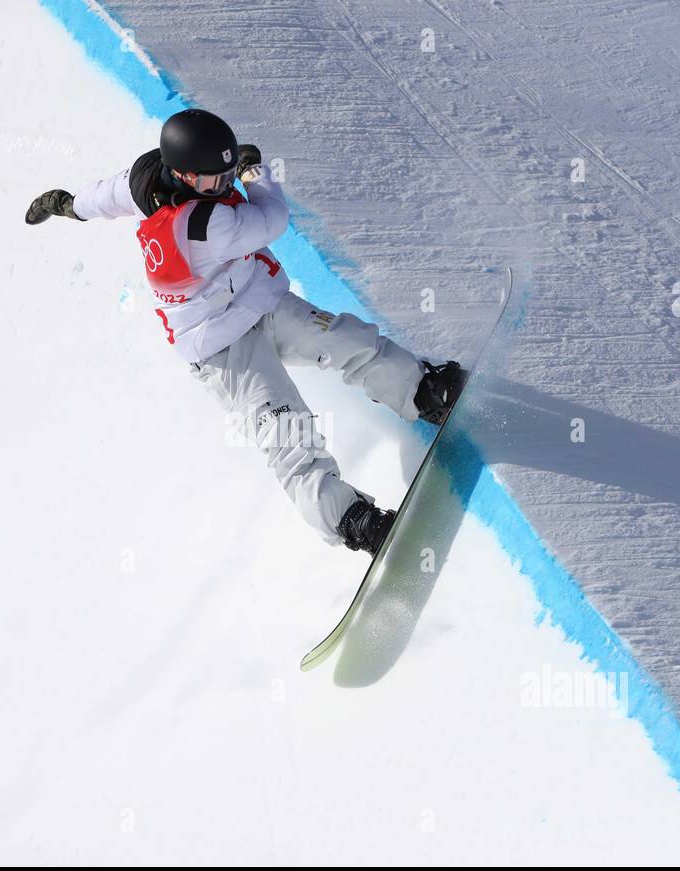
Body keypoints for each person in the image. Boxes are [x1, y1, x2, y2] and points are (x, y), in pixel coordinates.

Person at [25, 108, 463, 556]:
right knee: (286, 430)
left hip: (260, 300)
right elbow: (272, 219)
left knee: (342, 339)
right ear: (182, 175)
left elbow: (106, 196)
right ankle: (352, 519)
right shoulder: (207, 224)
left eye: (229, 175)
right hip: (219, 344)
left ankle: (423, 390)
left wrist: (68, 205)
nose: (223, 187)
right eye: (215, 181)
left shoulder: (149, 179)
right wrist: (255, 176)